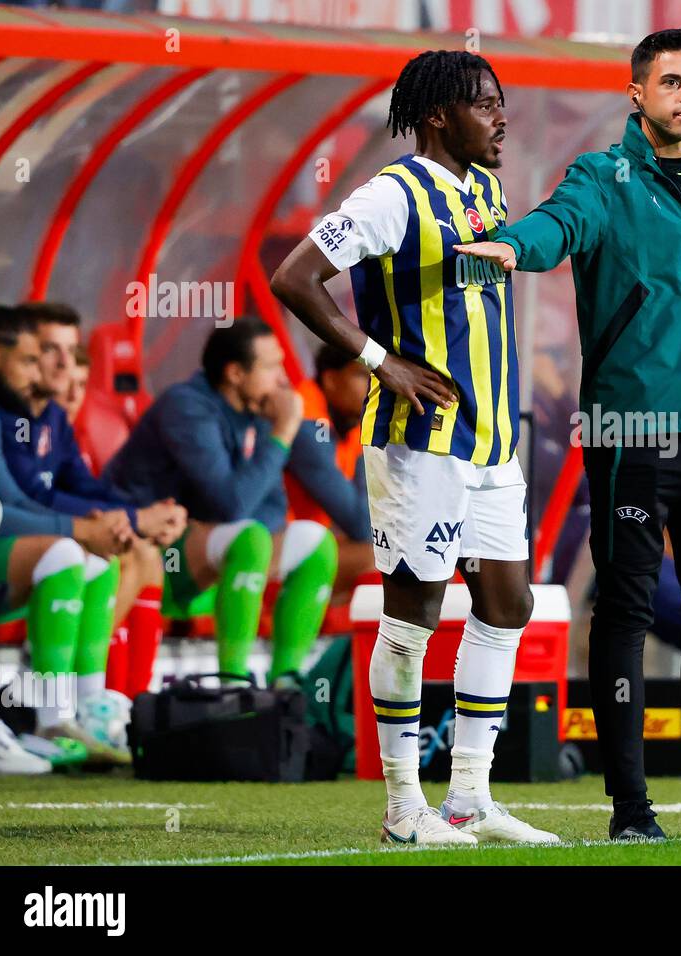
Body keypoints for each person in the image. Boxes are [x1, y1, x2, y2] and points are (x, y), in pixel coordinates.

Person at [463, 30, 681, 840]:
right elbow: (558, 225)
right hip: (633, 428)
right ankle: (631, 809)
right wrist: (512, 246)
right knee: (627, 612)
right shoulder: (602, 176)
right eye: (671, 82)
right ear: (635, 94)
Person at [271, 50, 558, 846]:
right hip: (420, 444)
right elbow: (294, 277)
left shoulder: (487, 192)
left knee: (508, 603)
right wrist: (378, 362)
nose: (502, 118)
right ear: (439, 116)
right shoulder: (392, 195)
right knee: (414, 616)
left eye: (503, 104)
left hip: (492, 439)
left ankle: (468, 797)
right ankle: (404, 808)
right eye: (486, 105)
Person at [104, 319, 338, 689]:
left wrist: (274, 436)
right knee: (249, 537)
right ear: (234, 372)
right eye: (271, 366)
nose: (282, 380)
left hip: (205, 554)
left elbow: (273, 509)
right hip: (142, 559)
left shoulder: (256, 411)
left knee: (317, 544)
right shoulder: (187, 407)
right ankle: (234, 683)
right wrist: (283, 432)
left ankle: (285, 681)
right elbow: (231, 506)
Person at [0, 302, 183, 702]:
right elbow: (31, 495)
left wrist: (143, 515)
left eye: (71, 350)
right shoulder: (4, 416)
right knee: (112, 551)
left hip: (39, 535)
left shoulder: (50, 417)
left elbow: (83, 485)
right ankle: (66, 692)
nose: (65, 365)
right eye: (50, 350)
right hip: (10, 542)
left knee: (139, 549)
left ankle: (122, 700)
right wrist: (132, 519)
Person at [0, 306, 127, 766]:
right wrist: (74, 529)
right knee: (63, 552)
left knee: (98, 560)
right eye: (26, 361)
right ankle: (50, 719)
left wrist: (95, 527)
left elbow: (9, 500)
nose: (36, 372)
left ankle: (83, 707)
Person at [285, 343, 377, 605]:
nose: (372, 387)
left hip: (311, 540)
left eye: (375, 378)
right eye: (361, 376)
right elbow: (360, 522)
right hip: (276, 542)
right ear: (331, 379)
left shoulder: (352, 421)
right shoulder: (305, 421)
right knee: (380, 559)